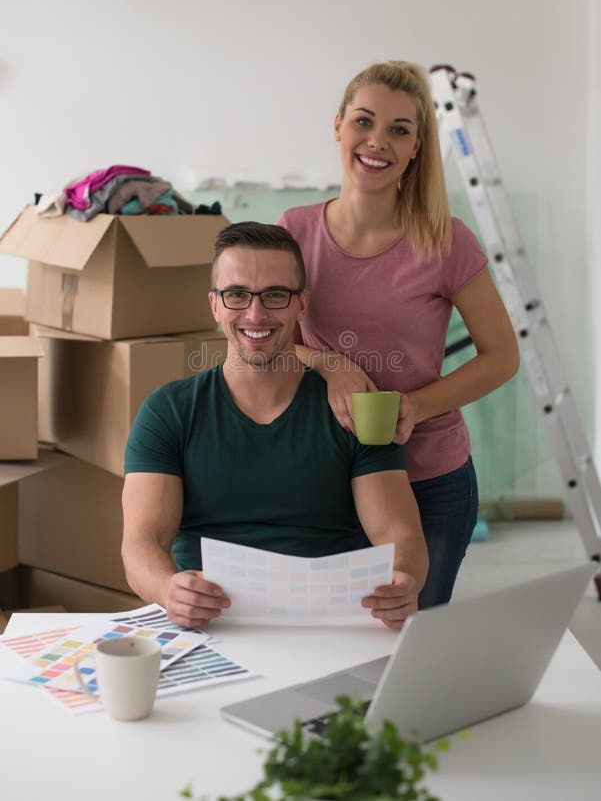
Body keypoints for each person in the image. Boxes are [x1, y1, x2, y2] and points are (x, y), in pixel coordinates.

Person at [277, 60, 519, 608]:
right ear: (337, 125)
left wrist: (417, 404)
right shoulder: (293, 232)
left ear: (416, 149)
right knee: (332, 646)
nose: (377, 141)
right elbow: (261, 343)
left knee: (410, 638)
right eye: (363, 121)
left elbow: (502, 357)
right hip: (324, 474)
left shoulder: (446, 241)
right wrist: (329, 363)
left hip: (429, 478)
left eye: (399, 130)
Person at [121, 222, 428, 630]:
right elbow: (142, 542)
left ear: (302, 304)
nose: (255, 313)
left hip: (333, 623)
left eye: (275, 295)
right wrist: (168, 590)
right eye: (236, 295)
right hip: (213, 626)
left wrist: (403, 580)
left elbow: (399, 534)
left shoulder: (354, 411)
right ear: (215, 305)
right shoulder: (169, 411)